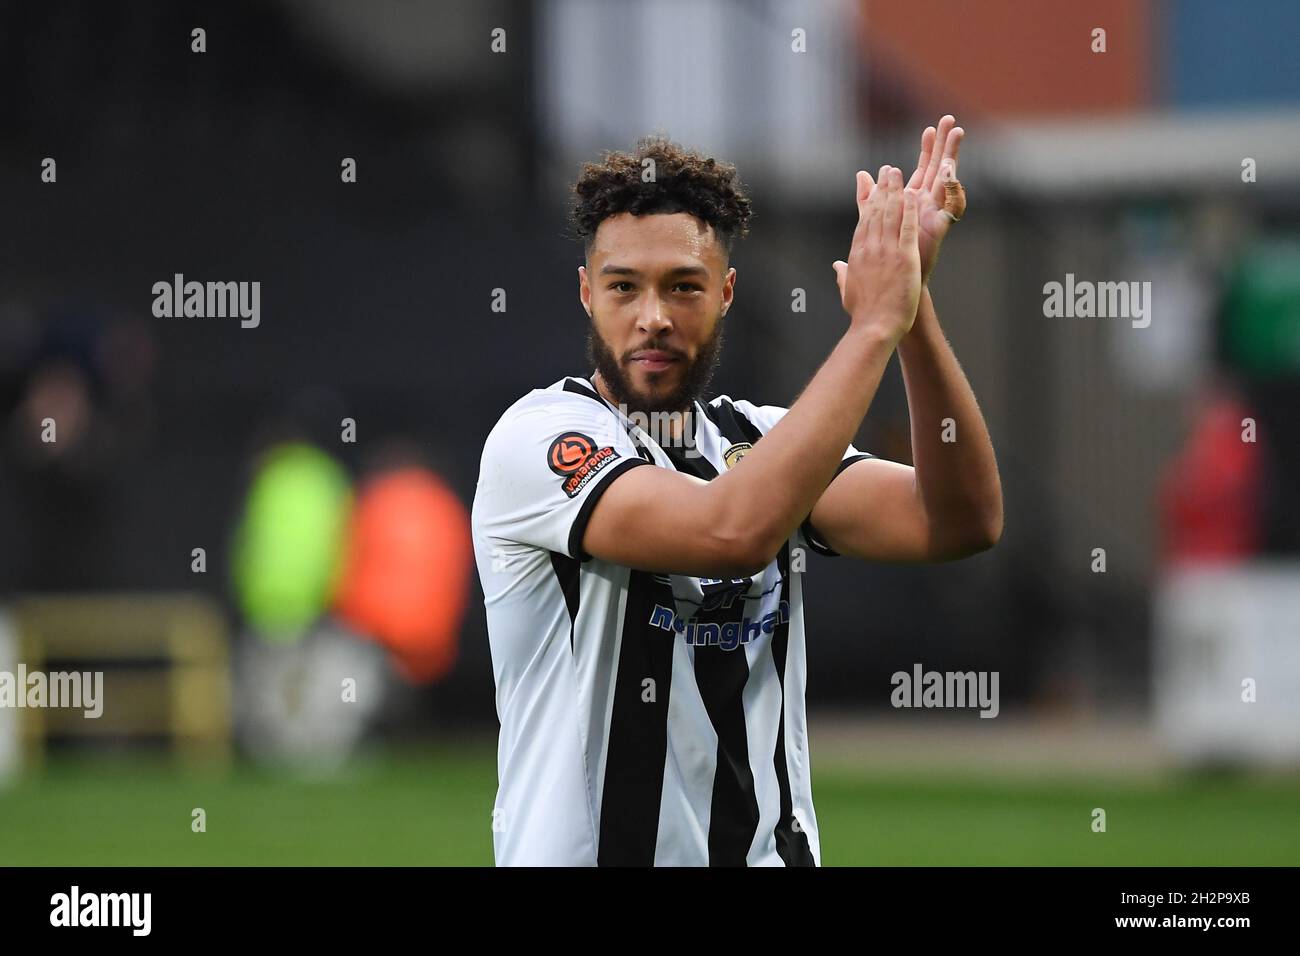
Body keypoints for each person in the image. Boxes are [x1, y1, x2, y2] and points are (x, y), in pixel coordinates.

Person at [472, 116, 1002, 866]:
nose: (653, 317)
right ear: (588, 294)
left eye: (683, 287)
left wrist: (910, 313)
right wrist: (871, 330)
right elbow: (729, 533)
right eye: (625, 287)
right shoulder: (539, 441)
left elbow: (959, 521)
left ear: (725, 293)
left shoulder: (756, 441)